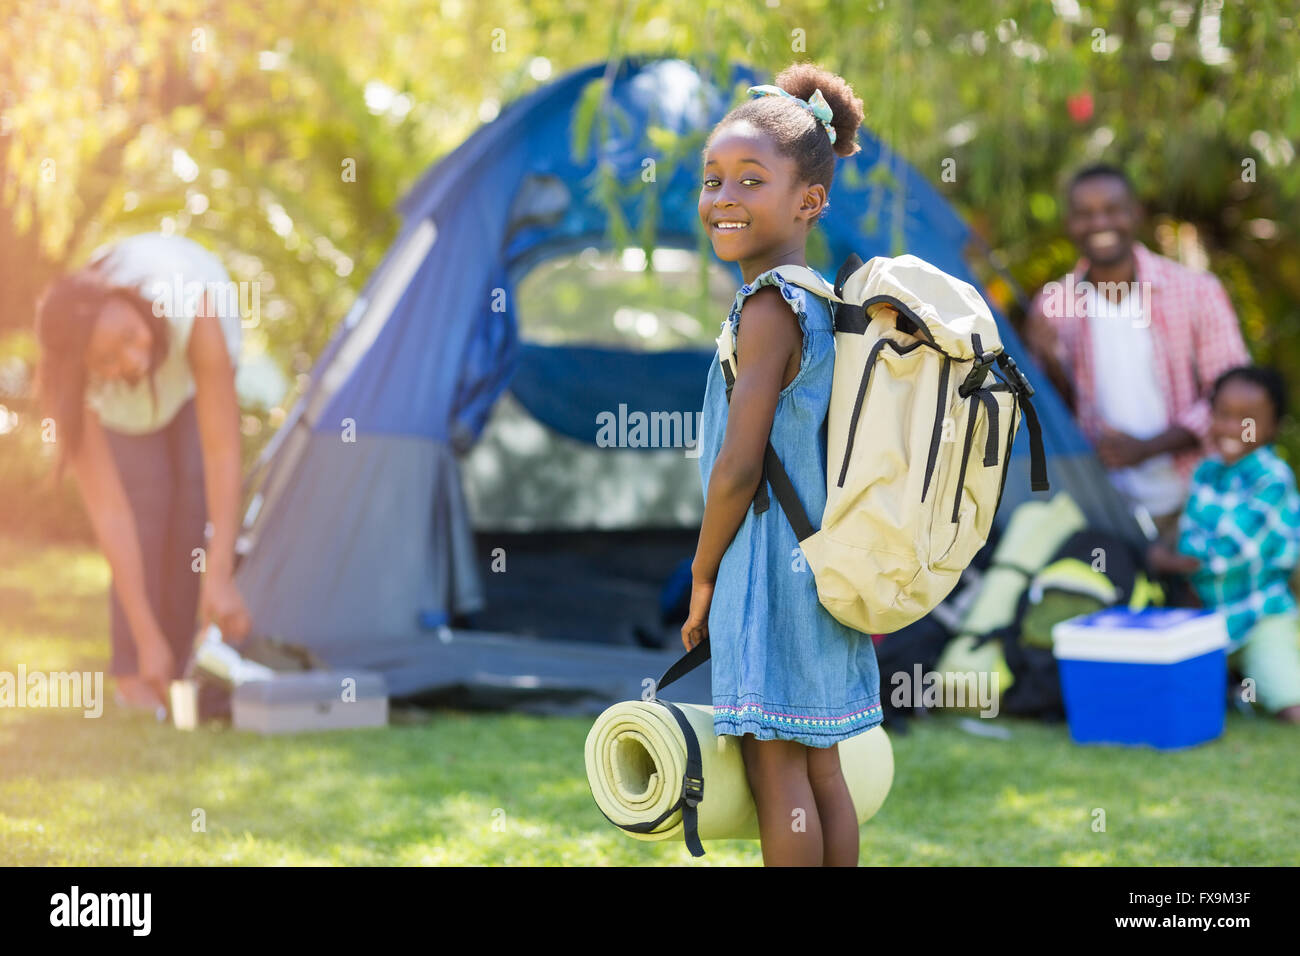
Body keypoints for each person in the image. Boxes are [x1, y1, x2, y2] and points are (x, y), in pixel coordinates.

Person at [683, 62, 881, 867]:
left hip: (768, 564)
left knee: (776, 766)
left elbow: (737, 467)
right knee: (822, 762)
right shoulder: (822, 301)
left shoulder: (767, 308)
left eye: (750, 180)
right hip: (823, 561)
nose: (724, 197)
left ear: (809, 201)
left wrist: (701, 575)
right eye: (712, 179)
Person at [35, 232, 252, 713]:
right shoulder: (74, 387)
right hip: (128, 409)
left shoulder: (191, 305)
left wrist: (219, 572)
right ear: (84, 368)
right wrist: (143, 632)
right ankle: (139, 667)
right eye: (107, 359)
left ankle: (180, 669)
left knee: (192, 503)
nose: (131, 360)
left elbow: (220, 449)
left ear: (129, 303)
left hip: (188, 367)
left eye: (127, 339)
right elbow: (112, 512)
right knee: (146, 501)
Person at [1022, 164, 1250, 537]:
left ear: (1135, 213)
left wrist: (1149, 448)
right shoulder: (1053, 305)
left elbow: (1234, 398)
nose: (1100, 223)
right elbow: (1051, 418)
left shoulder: (1195, 291)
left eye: (1112, 209)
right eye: (1085, 213)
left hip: (1198, 501)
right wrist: (1048, 361)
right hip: (1108, 511)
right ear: (1069, 223)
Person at [1149, 366, 1300, 723]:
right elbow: (1190, 533)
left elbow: (1229, 554)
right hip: (1207, 619)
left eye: (1247, 420)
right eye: (1223, 416)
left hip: (1259, 614)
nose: (1233, 428)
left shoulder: (1273, 478)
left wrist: (1166, 560)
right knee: (1173, 694)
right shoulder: (1206, 472)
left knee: (1288, 700)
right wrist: (1176, 552)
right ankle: (1235, 688)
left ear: (1273, 427)